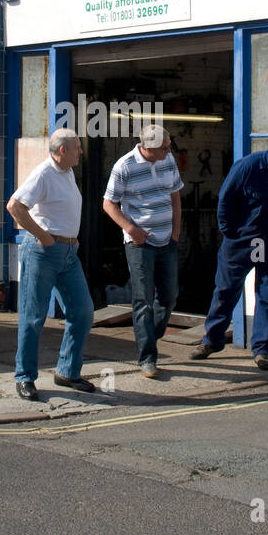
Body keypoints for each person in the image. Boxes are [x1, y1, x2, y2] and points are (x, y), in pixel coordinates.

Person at [190, 136, 268, 369]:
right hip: (242, 241)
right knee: (226, 290)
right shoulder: (247, 167)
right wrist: (230, 232)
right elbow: (225, 199)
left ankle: (263, 350)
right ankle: (211, 341)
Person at [7, 128, 97, 401]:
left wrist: (70, 238)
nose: (81, 152)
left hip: (68, 254)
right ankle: (25, 377)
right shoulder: (44, 173)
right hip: (42, 252)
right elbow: (15, 206)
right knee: (33, 317)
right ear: (62, 151)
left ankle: (67, 372)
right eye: (77, 148)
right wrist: (44, 236)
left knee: (82, 312)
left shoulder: (67, 172)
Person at [102, 125, 184, 379]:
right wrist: (130, 228)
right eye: (164, 147)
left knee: (169, 295)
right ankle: (147, 357)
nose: (169, 150)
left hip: (166, 239)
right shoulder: (124, 166)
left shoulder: (167, 159)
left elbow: (175, 195)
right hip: (139, 243)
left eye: (169, 145)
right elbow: (109, 203)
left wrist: (176, 231)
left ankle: (150, 335)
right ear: (148, 148)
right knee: (143, 300)